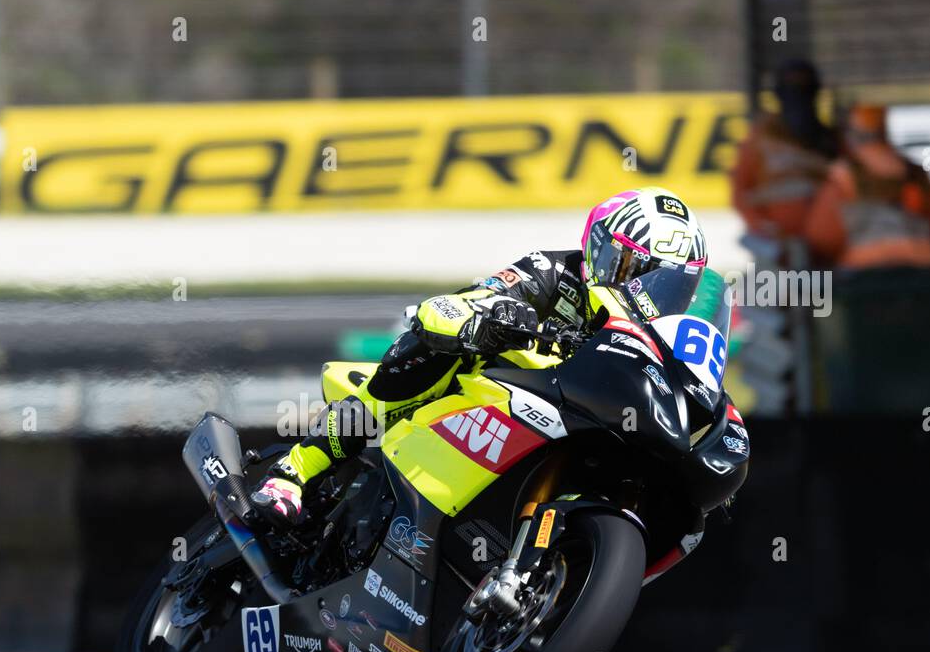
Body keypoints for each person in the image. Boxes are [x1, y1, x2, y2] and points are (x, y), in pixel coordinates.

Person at [252, 186, 708, 525]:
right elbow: (468, 300)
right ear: (602, 250)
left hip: (569, 419)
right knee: (431, 347)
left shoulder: (658, 335)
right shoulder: (553, 271)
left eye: (669, 284)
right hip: (493, 387)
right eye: (637, 271)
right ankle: (295, 469)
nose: (647, 293)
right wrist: (485, 318)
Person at [804, 103, 930, 269]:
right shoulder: (914, 174)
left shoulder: (842, 177)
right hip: (924, 273)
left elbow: (820, 240)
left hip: (864, 277)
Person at [731, 59, 839, 267]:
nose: (798, 99)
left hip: (827, 248)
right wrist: (763, 229)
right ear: (778, 95)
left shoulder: (832, 141)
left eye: (804, 90)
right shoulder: (759, 141)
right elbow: (740, 193)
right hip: (777, 248)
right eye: (791, 91)